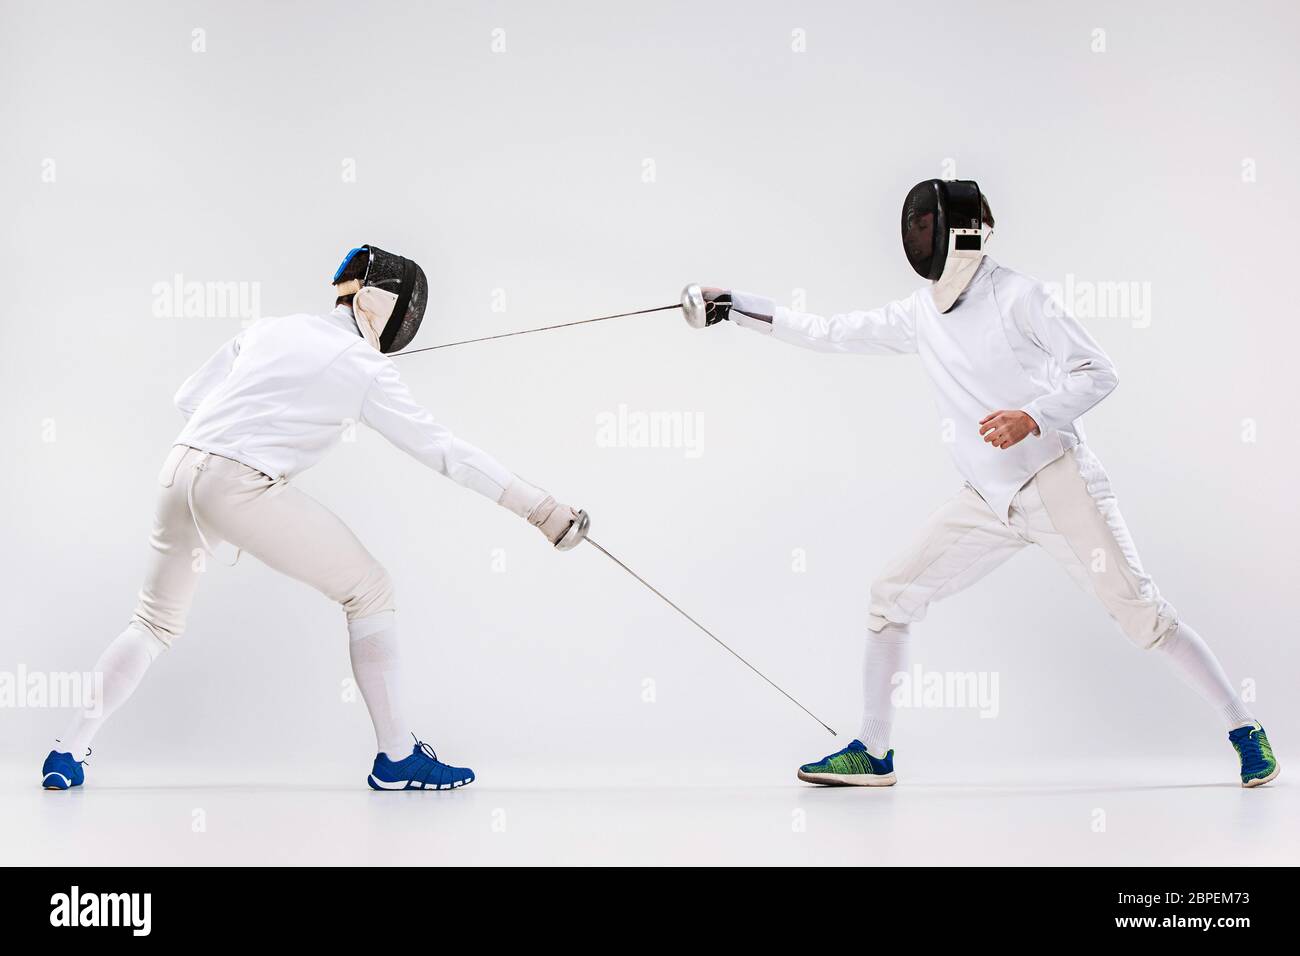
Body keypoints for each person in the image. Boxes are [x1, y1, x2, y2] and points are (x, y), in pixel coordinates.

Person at [692, 180, 1278, 788]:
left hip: (1057, 485)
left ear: (962, 232)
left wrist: (1033, 416)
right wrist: (732, 303)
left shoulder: (1022, 297)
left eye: (927, 226)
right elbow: (829, 331)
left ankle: (1244, 728)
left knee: (1143, 617)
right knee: (891, 594)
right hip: (985, 501)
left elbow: (1098, 371)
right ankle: (872, 750)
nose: (918, 238)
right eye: (914, 227)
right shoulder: (919, 314)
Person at [41, 245, 587, 792]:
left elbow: (190, 397)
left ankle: (67, 752)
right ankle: (397, 758)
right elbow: (444, 452)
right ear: (386, 307)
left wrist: (234, 457)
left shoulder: (271, 329)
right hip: (234, 486)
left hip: (178, 468)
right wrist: (541, 512)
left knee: (153, 623)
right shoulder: (366, 369)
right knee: (370, 589)